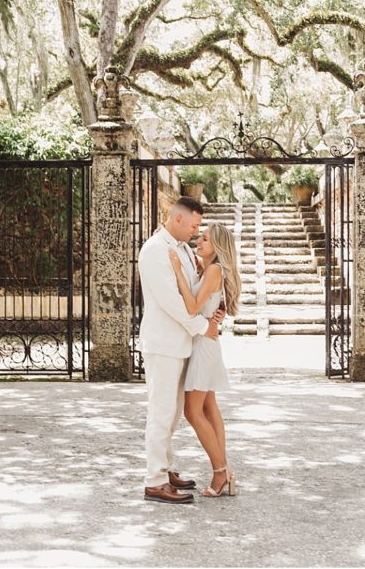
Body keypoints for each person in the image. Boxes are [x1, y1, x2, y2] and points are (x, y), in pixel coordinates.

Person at [138, 196, 224, 504]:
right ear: (177, 219)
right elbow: (170, 301)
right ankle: (155, 481)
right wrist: (203, 328)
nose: (195, 231)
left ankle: (165, 468)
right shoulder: (153, 251)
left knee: (172, 413)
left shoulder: (184, 250)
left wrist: (215, 309)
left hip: (181, 344)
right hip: (163, 344)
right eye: (193, 225)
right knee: (161, 412)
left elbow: (194, 291)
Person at [167, 222, 241, 498]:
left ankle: (220, 472)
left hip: (203, 346)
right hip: (206, 343)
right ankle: (224, 471)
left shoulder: (213, 270)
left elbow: (192, 306)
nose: (199, 240)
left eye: (205, 239)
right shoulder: (210, 268)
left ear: (217, 246)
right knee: (210, 408)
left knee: (193, 411)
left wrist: (177, 273)